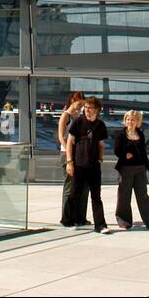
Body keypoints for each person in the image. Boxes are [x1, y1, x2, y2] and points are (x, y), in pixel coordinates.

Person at [66, 96, 110, 233]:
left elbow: (101, 144)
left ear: (97, 110)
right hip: (78, 164)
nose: (87, 110)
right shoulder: (78, 122)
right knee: (75, 194)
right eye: (85, 108)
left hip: (94, 166)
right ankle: (69, 220)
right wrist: (69, 162)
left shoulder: (100, 125)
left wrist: (100, 159)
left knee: (96, 196)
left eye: (90, 108)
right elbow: (69, 143)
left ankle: (101, 225)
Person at [113, 109, 149, 230]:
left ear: (137, 121)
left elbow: (143, 152)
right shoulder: (121, 135)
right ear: (125, 121)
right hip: (125, 169)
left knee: (142, 195)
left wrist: (148, 167)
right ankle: (124, 220)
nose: (130, 121)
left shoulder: (140, 134)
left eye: (133, 119)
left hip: (140, 169)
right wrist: (125, 155)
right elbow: (116, 151)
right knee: (124, 195)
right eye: (128, 119)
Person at [58, 91, 88, 227]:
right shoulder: (66, 116)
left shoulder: (80, 116)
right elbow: (61, 137)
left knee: (82, 187)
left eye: (82, 103)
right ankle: (67, 217)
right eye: (79, 103)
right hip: (68, 155)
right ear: (72, 101)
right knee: (70, 187)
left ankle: (80, 217)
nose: (80, 106)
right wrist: (69, 153)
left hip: (80, 155)